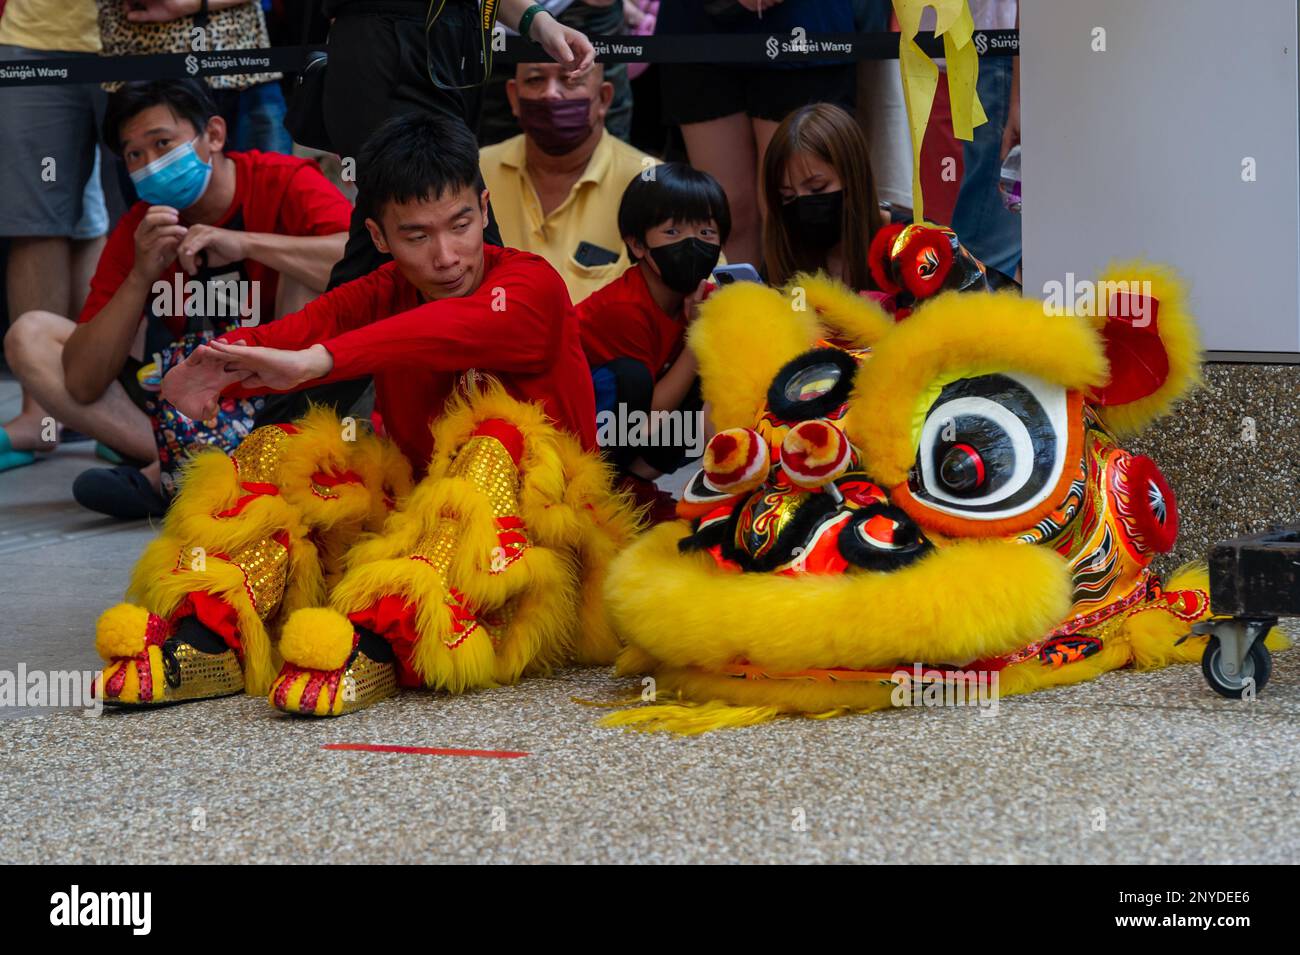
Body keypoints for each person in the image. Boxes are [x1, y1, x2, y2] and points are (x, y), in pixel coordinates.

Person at [90, 111, 639, 719]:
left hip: (539, 555)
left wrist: (320, 361)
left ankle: (379, 646)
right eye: (417, 236)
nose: (448, 256)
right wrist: (219, 361)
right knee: (285, 448)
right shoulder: (384, 288)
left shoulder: (528, 287)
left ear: (484, 208)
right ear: (379, 237)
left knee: (497, 439)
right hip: (411, 529)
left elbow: (444, 332)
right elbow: (301, 330)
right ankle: (210, 641)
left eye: (460, 225)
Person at [2, 79, 352, 517]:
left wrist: (248, 243)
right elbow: (82, 381)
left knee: (307, 268)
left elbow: (360, 258)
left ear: (215, 136)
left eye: (163, 143)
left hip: (273, 390)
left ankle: (202, 468)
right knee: (29, 333)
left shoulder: (282, 180)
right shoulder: (140, 228)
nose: (151, 164)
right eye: (134, 155)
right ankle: (191, 466)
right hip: (180, 399)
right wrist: (140, 274)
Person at [576, 163, 729, 519]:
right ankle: (605, 489)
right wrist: (696, 341)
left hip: (628, 422)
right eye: (672, 231)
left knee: (711, 376)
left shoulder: (698, 299)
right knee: (634, 378)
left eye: (706, 232)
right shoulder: (624, 309)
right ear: (637, 244)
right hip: (572, 428)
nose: (692, 244)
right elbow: (647, 415)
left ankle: (632, 484)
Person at [656, 0, 858, 268]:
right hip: (698, 24)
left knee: (794, 207)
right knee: (726, 210)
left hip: (803, 22)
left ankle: (806, 306)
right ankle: (742, 304)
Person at [0, 0, 109, 473]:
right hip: (35, 35)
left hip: (148, 36)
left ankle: (110, 406)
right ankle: (41, 413)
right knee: (37, 220)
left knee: (140, 212)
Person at [479, 59, 660, 304]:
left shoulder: (653, 183)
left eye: (571, 80)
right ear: (513, 97)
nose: (551, 94)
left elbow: (703, 298)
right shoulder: (475, 173)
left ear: (604, 98)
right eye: (535, 80)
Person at [97, 0, 293, 155]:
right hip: (145, 75)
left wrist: (190, 4)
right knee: (161, 201)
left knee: (271, 189)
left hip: (245, 65)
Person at [761, 102, 885, 291]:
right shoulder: (784, 252)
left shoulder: (909, 246)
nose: (803, 206)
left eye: (817, 188)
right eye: (788, 196)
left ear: (853, 176)